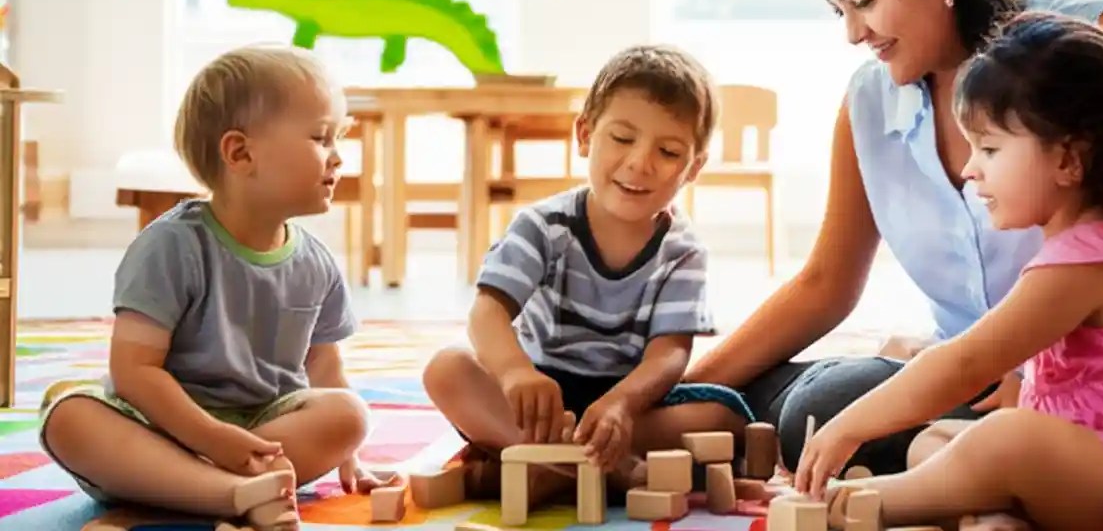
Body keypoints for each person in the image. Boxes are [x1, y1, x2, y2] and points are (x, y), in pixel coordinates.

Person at [683, 0, 1103, 476]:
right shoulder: (868, 100)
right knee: (771, 398)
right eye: (839, 11)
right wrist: (688, 389)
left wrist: (1043, 370)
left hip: (1086, 382)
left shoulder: (1094, 43)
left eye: (865, 1)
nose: (855, 33)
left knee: (816, 408)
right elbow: (826, 283)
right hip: (959, 373)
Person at [792, 11, 1103, 530]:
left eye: (989, 148)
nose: (971, 169)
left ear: (1068, 161)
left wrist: (848, 427)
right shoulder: (1081, 246)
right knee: (940, 438)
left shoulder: (1090, 259)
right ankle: (993, 519)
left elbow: (966, 362)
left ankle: (856, 505)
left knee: (1003, 440)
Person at [39, 45, 395, 531]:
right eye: (320, 137)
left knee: (348, 414)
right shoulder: (170, 246)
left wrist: (349, 456)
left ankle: (203, 490)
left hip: (263, 431)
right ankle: (230, 493)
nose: (337, 156)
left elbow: (324, 367)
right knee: (68, 417)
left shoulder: (316, 263)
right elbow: (133, 371)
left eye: (338, 138)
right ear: (240, 152)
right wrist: (208, 437)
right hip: (160, 428)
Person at [423, 44, 749, 504]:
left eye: (669, 151)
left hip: (625, 405)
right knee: (447, 369)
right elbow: (487, 313)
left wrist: (620, 404)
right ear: (584, 135)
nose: (640, 162)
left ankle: (544, 471)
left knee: (725, 417)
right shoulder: (543, 226)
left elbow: (669, 356)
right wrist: (516, 374)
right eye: (622, 138)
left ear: (693, 167)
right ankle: (594, 469)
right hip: (535, 403)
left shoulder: (683, 250)